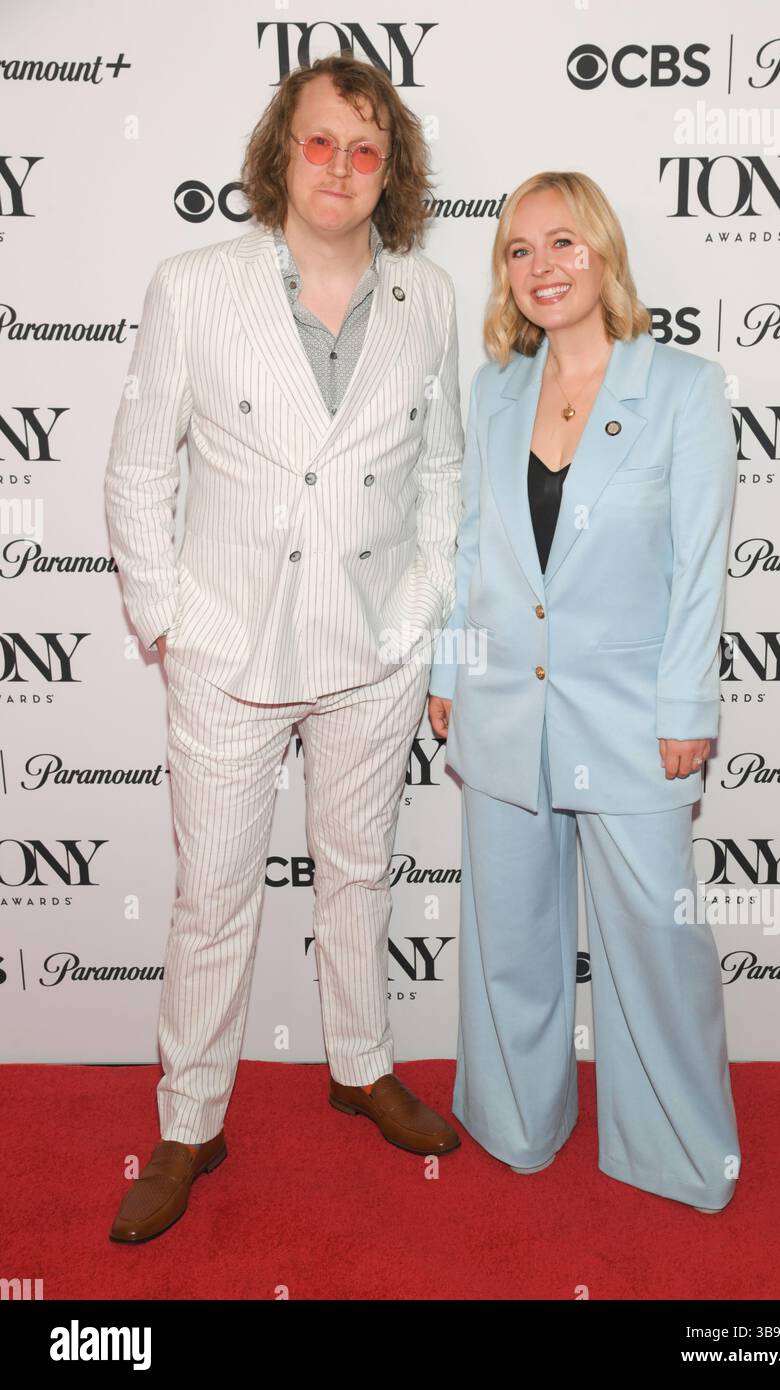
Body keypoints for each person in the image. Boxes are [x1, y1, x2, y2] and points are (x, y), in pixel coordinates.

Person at [104, 53, 463, 1244]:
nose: (341, 168)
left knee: (359, 871)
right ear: (281, 152)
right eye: (320, 143)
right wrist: (171, 622)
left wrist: (422, 613)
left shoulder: (430, 297)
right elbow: (140, 463)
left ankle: (359, 1064)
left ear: (389, 170)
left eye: (365, 151)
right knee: (212, 897)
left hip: (372, 645)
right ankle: (190, 1119)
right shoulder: (193, 284)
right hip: (229, 649)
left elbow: (444, 471)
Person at [427, 171, 741, 1213]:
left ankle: (676, 1151)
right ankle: (517, 1124)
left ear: (602, 254)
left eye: (562, 243)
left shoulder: (682, 388)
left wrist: (685, 707)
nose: (541, 268)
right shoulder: (494, 389)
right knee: (508, 932)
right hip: (503, 700)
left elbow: (698, 564)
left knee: (654, 942)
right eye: (518, 251)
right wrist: (444, 669)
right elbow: (474, 547)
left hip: (629, 714)